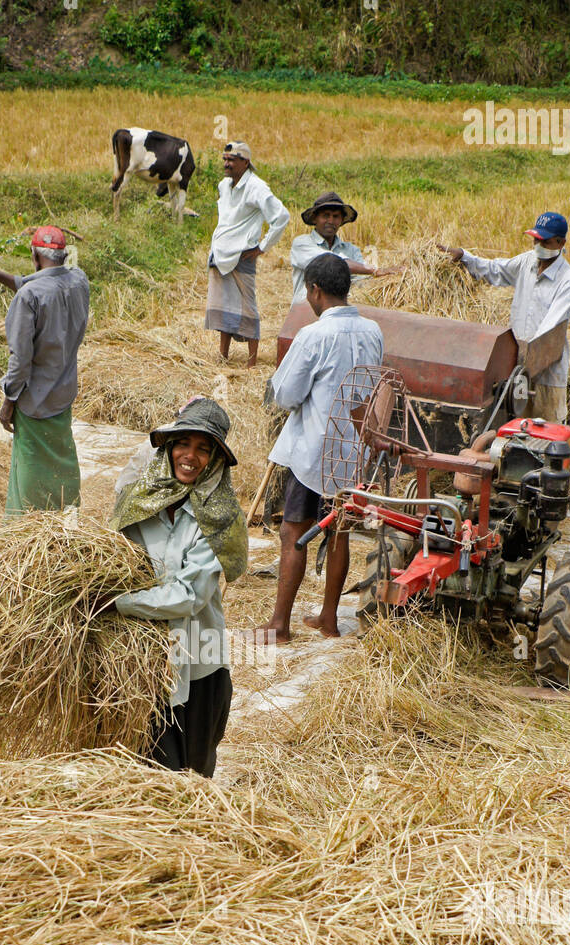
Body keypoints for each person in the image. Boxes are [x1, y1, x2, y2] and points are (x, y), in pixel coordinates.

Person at [110, 397, 248, 777]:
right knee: (148, 776)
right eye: (183, 444)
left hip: (199, 666)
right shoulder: (139, 504)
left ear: (216, 459)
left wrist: (117, 603)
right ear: (169, 448)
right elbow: (114, 562)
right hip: (144, 668)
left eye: (204, 449)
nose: (190, 456)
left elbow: (189, 597)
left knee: (194, 778)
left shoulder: (219, 516)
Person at [258, 254, 384, 643]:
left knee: (294, 531)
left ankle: (280, 625)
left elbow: (288, 394)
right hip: (352, 453)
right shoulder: (373, 330)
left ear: (315, 290)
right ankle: (328, 619)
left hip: (313, 452)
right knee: (340, 533)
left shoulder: (313, 335)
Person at [0, 226, 89, 514]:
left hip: (34, 400)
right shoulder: (79, 281)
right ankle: (65, 516)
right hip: (63, 394)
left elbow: (20, 360)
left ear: (34, 256)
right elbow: (36, 284)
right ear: (63, 255)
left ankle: (27, 527)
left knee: (29, 467)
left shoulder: (28, 299)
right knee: (60, 460)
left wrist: (8, 401)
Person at [440, 212, 570, 423]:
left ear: (561, 243)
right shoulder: (527, 262)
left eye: (545, 241)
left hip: (547, 375)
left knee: (545, 434)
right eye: (536, 239)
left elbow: (551, 326)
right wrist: (464, 256)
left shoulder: (568, 280)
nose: (538, 244)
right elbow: (495, 270)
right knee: (515, 430)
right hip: (516, 369)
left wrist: (524, 363)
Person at [204, 141, 290, 368]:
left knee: (247, 306)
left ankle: (252, 364)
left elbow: (281, 217)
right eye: (225, 159)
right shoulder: (224, 185)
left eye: (232, 160)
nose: (226, 164)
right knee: (223, 304)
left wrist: (262, 247)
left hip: (242, 254)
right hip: (220, 251)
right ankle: (223, 355)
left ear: (246, 162)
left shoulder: (256, 187)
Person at [289, 191, 399, 305]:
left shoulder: (351, 250)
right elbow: (330, 262)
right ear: (315, 218)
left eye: (336, 216)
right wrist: (375, 270)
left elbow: (360, 282)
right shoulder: (302, 243)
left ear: (341, 220)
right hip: (306, 311)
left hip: (340, 313)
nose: (331, 221)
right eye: (325, 215)